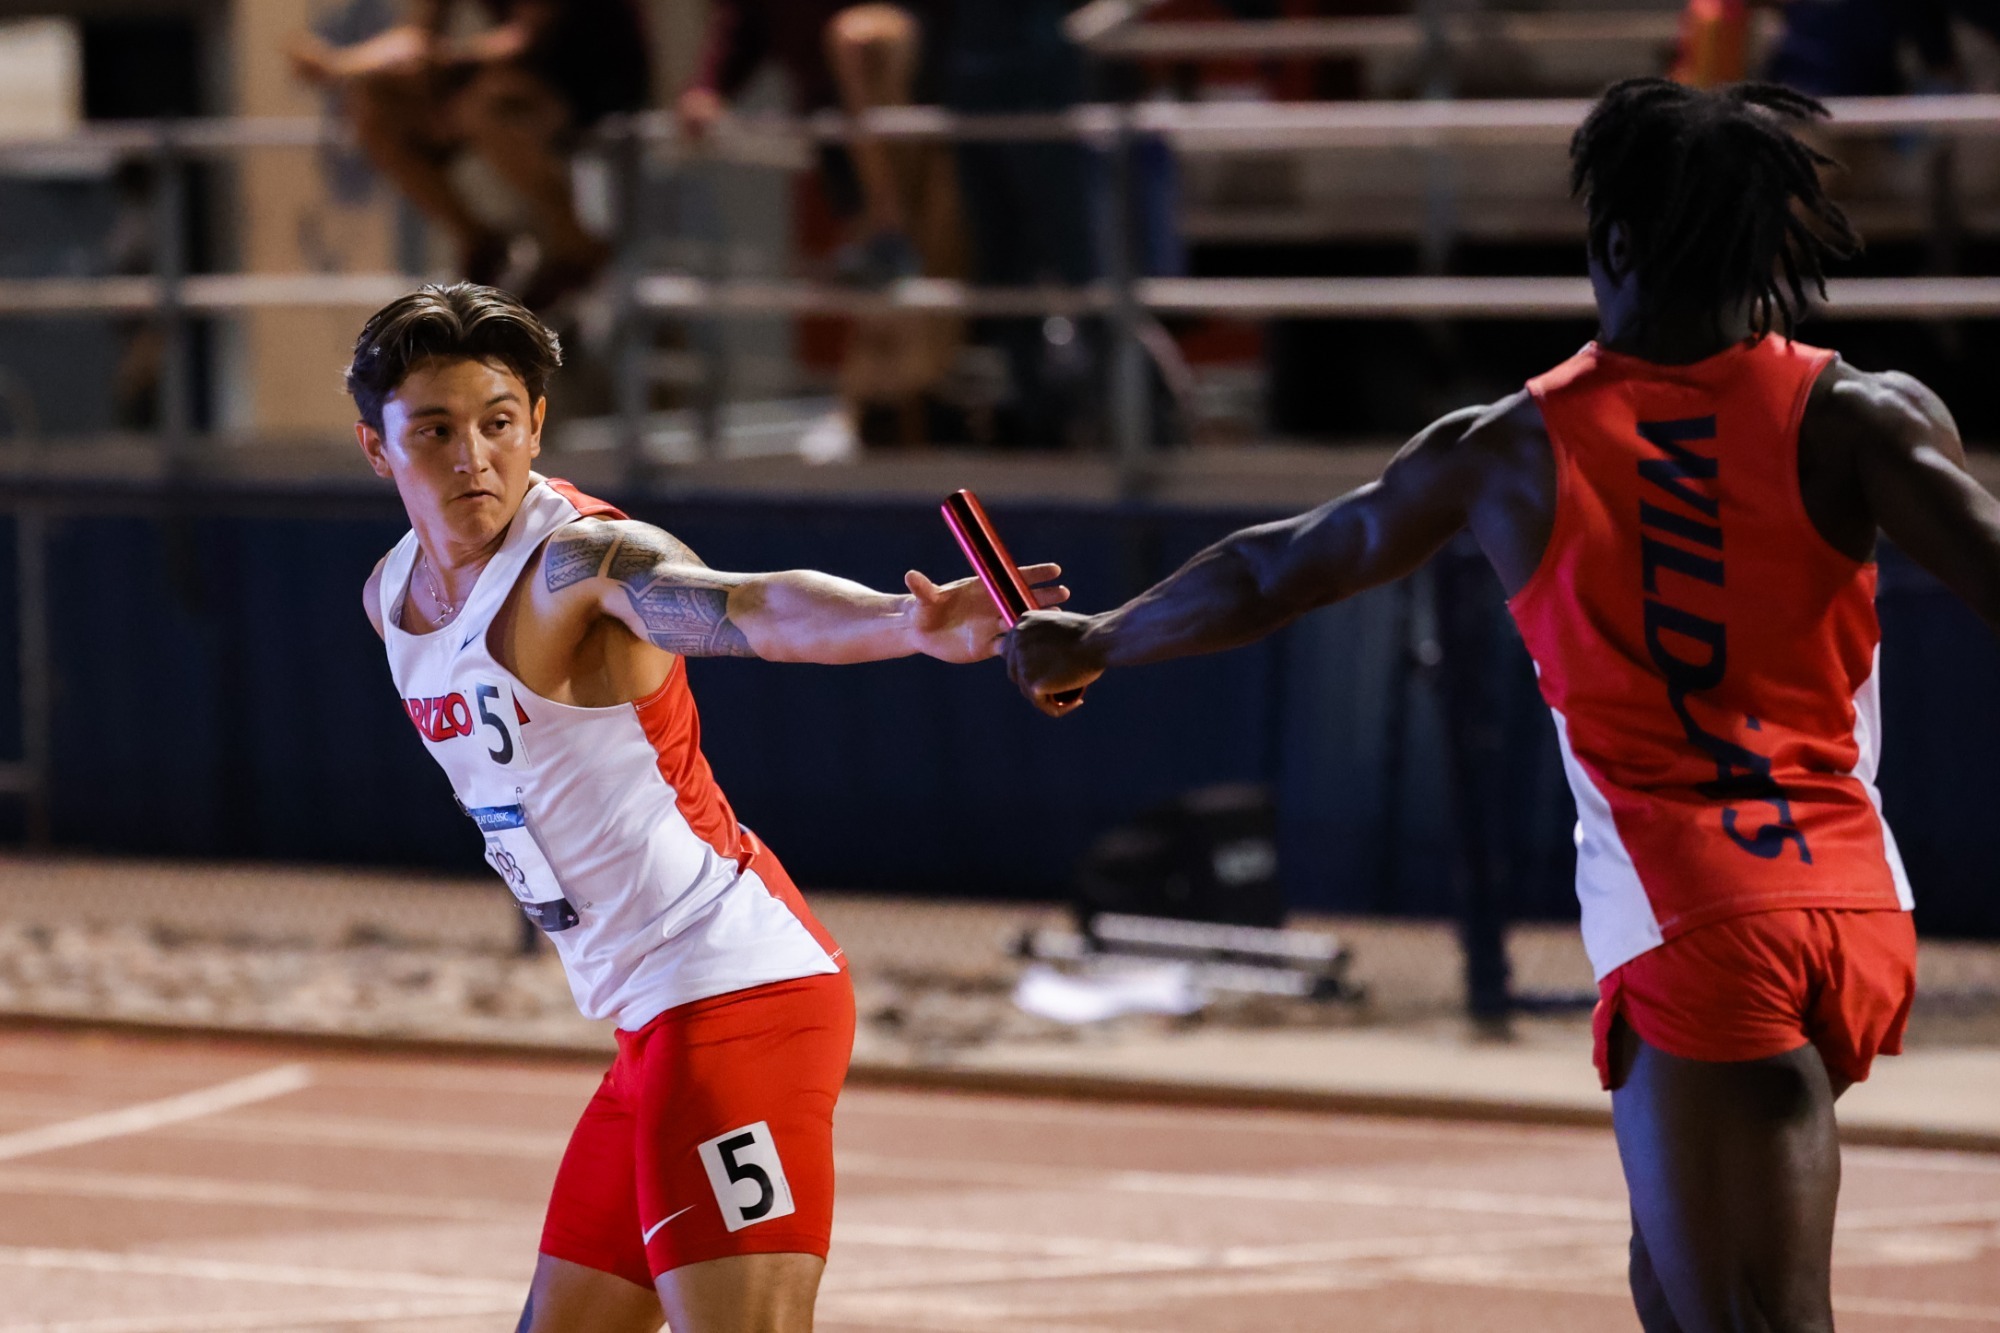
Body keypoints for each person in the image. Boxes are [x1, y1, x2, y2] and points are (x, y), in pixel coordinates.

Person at [1007, 79, 2000, 1332]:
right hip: (1854, 907)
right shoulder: (1871, 415)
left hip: (1697, 914)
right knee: (1673, 1283)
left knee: (1743, 1313)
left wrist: (1094, 638)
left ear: (1612, 242)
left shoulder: (1512, 444)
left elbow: (1277, 571)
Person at [348, 282, 1064, 1332]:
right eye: (436, 432)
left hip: (735, 994)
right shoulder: (393, 597)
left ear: (536, 423)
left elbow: (749, 603)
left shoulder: (577, 563)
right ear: (378, 449)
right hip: (648, 1024)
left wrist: (901, 625)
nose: (474, 459)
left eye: (499, 424)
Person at [290, 1, 650, 310]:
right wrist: (338, 66)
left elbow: (525, 39)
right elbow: (418, 38)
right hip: (510, 74)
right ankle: (481, 244)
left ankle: (575, 245)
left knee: (482, 109)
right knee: (376, 106)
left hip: (592, 80)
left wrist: (441, 65)